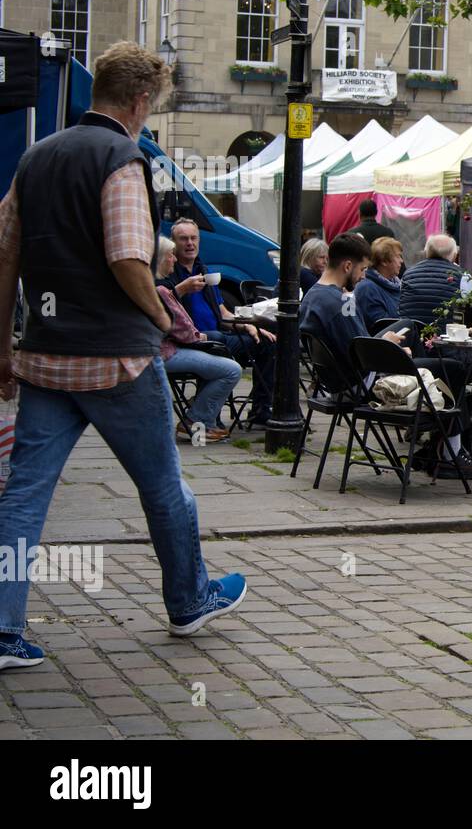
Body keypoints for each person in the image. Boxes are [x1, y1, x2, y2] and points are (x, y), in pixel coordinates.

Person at [0, 42, 246, 670]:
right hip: (119, 360)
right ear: (140, 101)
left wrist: (3, 343)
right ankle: (190, 600)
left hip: (47, 357)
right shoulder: (122, 158)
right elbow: (128, 257)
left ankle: (4, 631)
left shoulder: (35, 158)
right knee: (165, 487)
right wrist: (163, 315)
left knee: (24, 496)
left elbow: (6, 257)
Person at [300, 234, 472, 480]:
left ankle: (431, 413)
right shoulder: (340, 303)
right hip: (360, 383)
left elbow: (353, 345)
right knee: (452, 368)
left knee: (408, 325)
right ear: (347, 266)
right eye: (362, 269)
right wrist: (391, 351)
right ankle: (451, 453)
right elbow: (361, 354)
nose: (363, 276)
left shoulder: (316, 294)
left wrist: (390, 348)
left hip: (337, 379)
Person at [160, 217, 276, 429]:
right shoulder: (167, 274)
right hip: (190, 341)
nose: (190, 243)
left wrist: (247, 325)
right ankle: (207, 415)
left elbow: (223, 313)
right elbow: (161, 305)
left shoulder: (204, 270)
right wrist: (182, 288)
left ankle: (261, 410)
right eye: (183, 239)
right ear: (173, 243)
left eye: (194, 238)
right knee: (217, 341)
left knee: (267, 340)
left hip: (215, 335)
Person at [157, 236, 241, 444]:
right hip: (166, 352)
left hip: (163, 349)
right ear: (160, 259)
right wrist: (198, 336)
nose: (174, 259)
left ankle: (203, 417)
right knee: (231, 369)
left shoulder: (160, 285)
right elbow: (179, 325)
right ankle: (198, 420)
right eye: (170, 255)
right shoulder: (161, 289)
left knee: (219, 351)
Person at [398, 234, 472, 401]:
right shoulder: (462, 276)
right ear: (454, 255)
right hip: (447, 354)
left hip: (413, 352)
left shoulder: (408, 274)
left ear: (426, 252)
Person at [352, 236, 403, 332]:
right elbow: (381, 328)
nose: (401, 260)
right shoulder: (367, 289)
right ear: (384, 261)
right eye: (398, 256)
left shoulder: (397, 285)